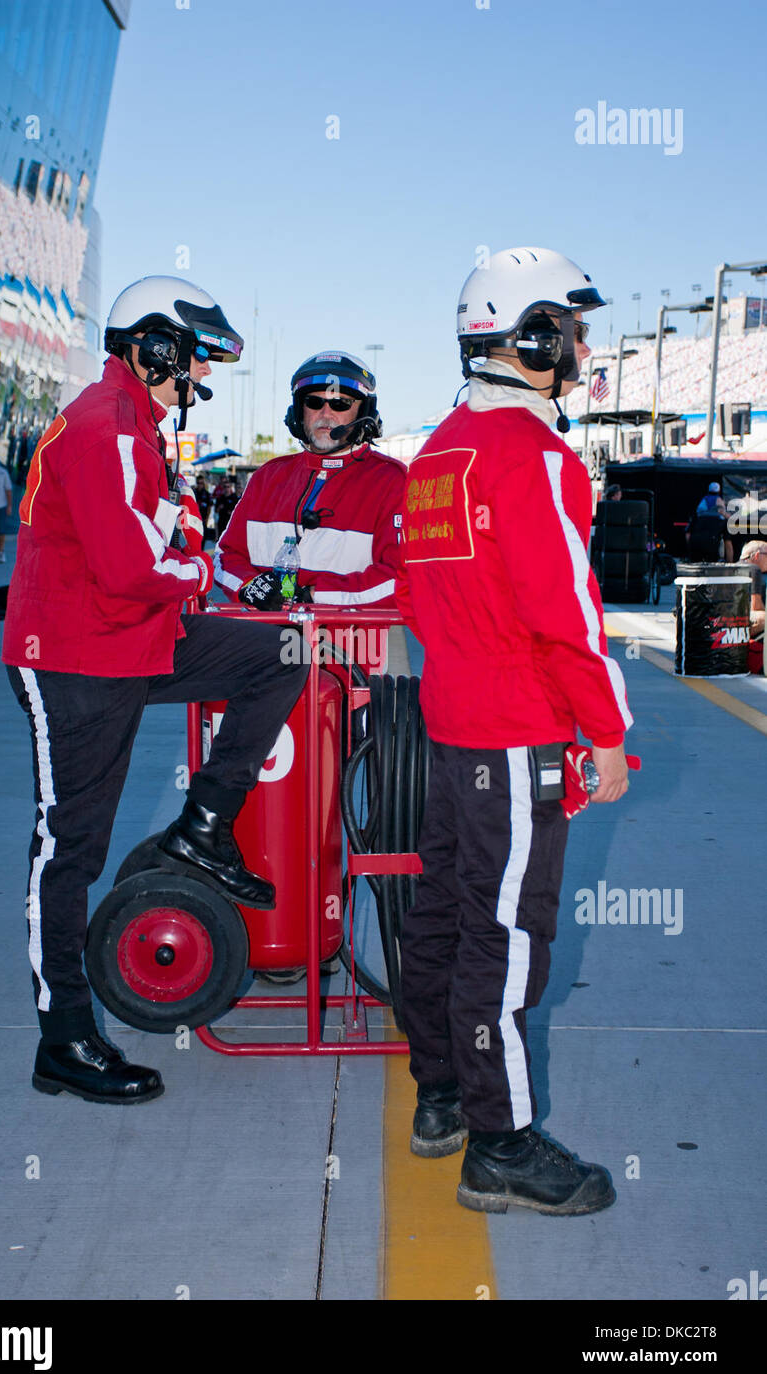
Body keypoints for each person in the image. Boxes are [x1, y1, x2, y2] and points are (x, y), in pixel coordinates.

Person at [2, 276, 308, 1105]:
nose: (194, 387)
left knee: (281, 650)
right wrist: (204, 567)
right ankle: (64, 1038)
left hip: (132, 642)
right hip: (73, 659)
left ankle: (205, 824)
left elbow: (155, 553)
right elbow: (136, 567)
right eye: (190, 368)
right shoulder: (107, 429)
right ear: (153, 348)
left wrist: (210, 577)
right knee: (69, 851)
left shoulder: (133, 426)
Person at [396, 246, 633, 1217]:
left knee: (447, 916)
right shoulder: (529, 454)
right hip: (515, 732)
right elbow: (564, 612)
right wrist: (605, 730)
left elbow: (417, 597)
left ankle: (442, 1095)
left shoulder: (436, 452)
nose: (580, 343)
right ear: (531, 335)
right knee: (506, 939)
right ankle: (497, 1142)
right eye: (569, 326)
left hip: (452, 723)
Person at [214, 350, 405, 611]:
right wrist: (250, 585)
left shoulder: (391, 480)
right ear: (298, 411)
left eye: (340, 403)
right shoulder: (268, 477)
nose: (326, 414)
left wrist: (315, 596)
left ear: (365, 411)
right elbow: (225, 556)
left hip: (348, 644)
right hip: (260, 640)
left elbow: (401, 577)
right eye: (314, 403)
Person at [739, 539, 767, 639]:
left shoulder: (736, 566)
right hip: (739, 620)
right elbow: (756, 606)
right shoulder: (754, 569)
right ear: (757, 555)